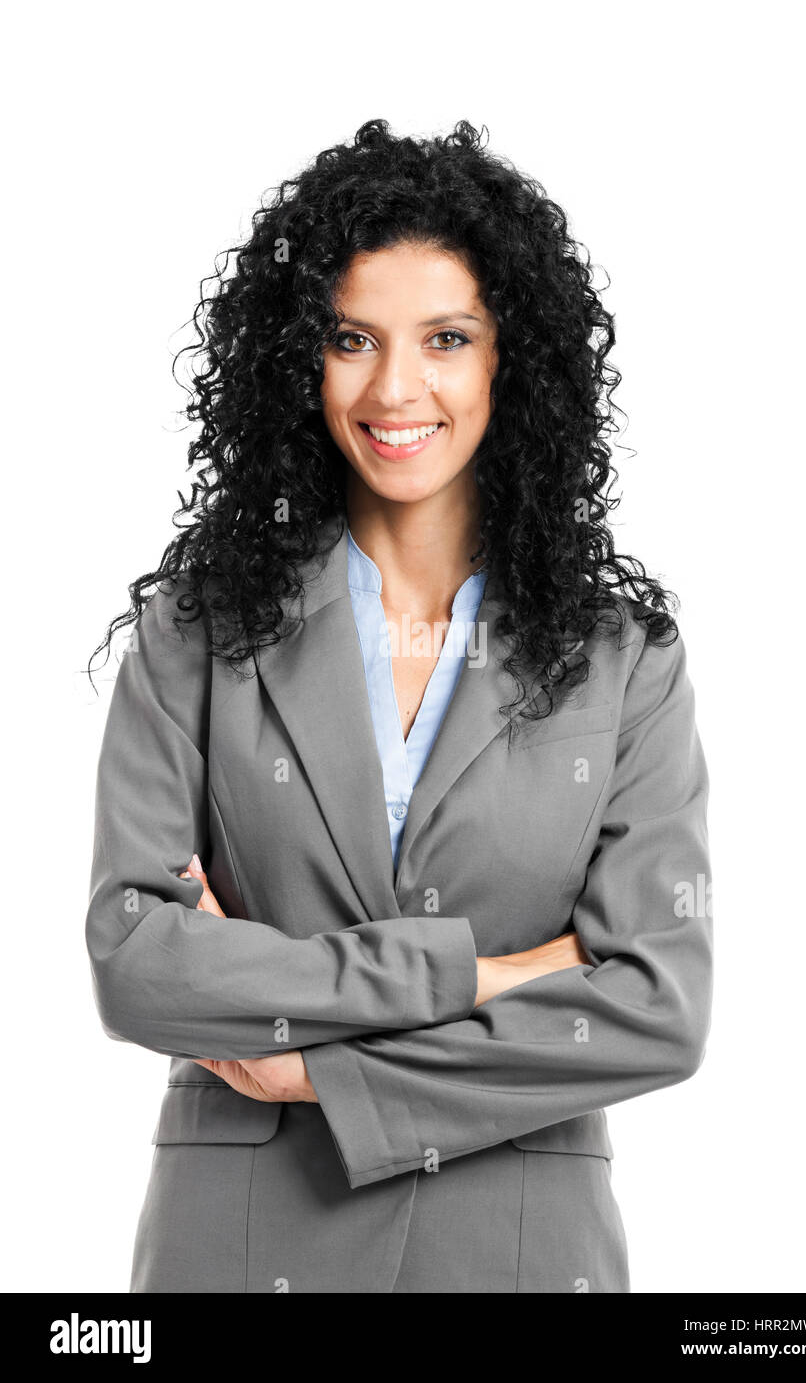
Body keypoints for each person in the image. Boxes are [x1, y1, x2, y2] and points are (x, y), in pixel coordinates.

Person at [86, 118, 712, 1294]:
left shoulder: (623, 660)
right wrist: (475, 973)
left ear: (504, 361)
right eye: (350, 338)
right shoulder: (194, 633)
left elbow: (655, 1005)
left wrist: (319, 1071)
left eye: (446, 338)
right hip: (241, 1241)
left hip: (515, 1247)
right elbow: (138, 964)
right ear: (295, 360)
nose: (395, 387)